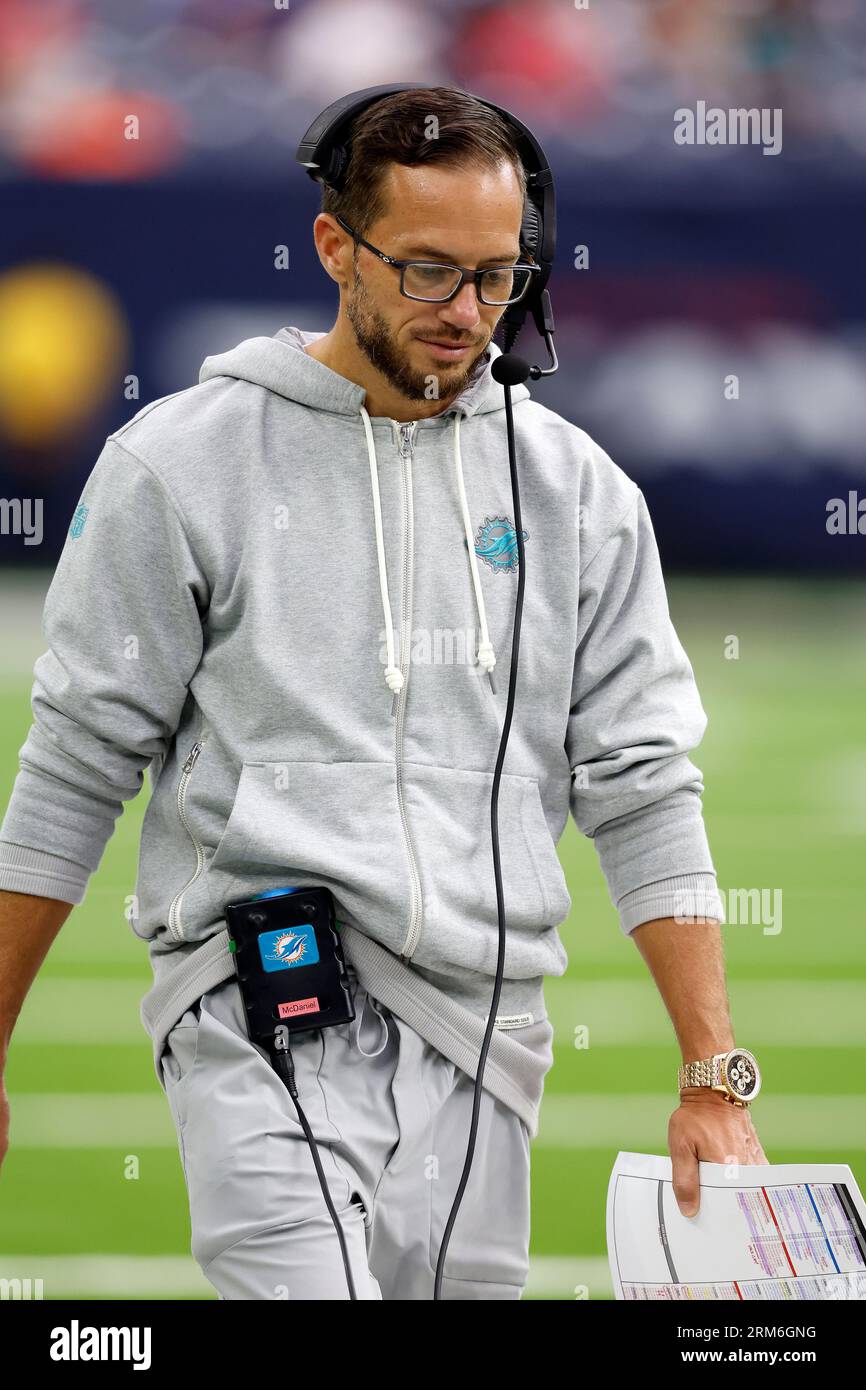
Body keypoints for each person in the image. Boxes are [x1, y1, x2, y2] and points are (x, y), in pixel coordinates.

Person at [0, 85, 767, 1301]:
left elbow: (641, 783)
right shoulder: (177, 462)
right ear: (332, 248)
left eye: (495, 275)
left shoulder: (579, 492)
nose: (466, 313)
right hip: (253, 1005)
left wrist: (709, 1074)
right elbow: (74, 765)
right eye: (423, 271)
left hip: (487, 1038)